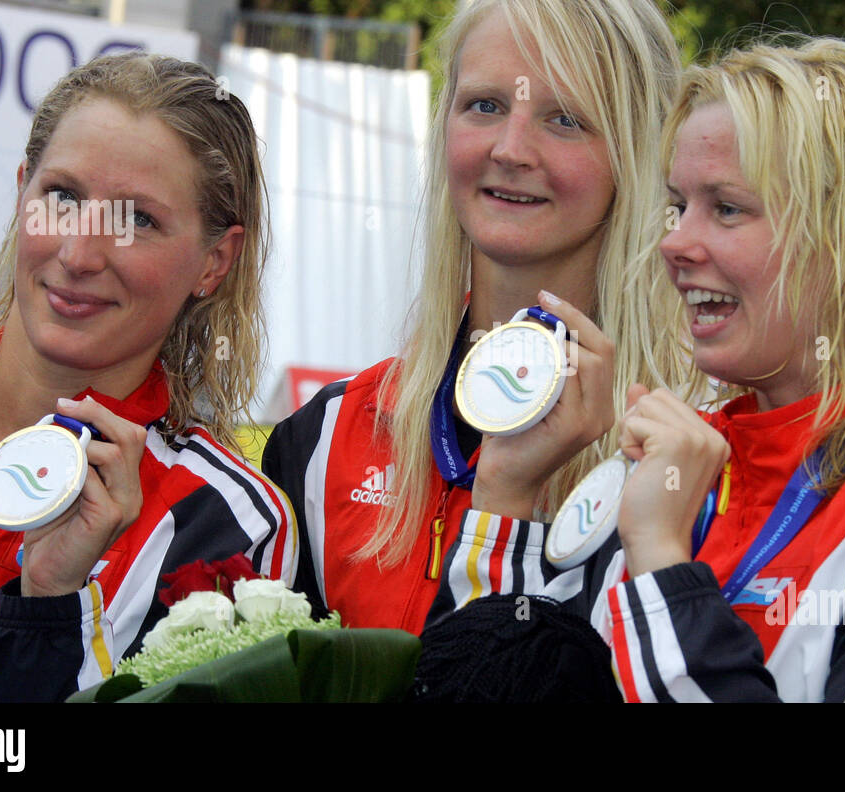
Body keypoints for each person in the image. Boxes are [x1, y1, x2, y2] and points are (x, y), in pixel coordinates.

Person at [431, 37, 845, 701]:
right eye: (678, 206)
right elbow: (471, 688)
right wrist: (507, 492)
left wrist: (660, 562)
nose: (675, 242)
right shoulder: (673, 461)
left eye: (727, 208)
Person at [0, 52, 296, 702]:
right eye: (62, 196)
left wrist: (49, 606)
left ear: (215, 261)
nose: (77, 253)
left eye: (136, 220)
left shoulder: (228, 525)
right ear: (22, 195)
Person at [261, 0, 694, 633]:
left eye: (565, 119)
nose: (512, 149)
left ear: (636, 153)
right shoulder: (324, 440)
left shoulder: (691, 450)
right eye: (485, 106)